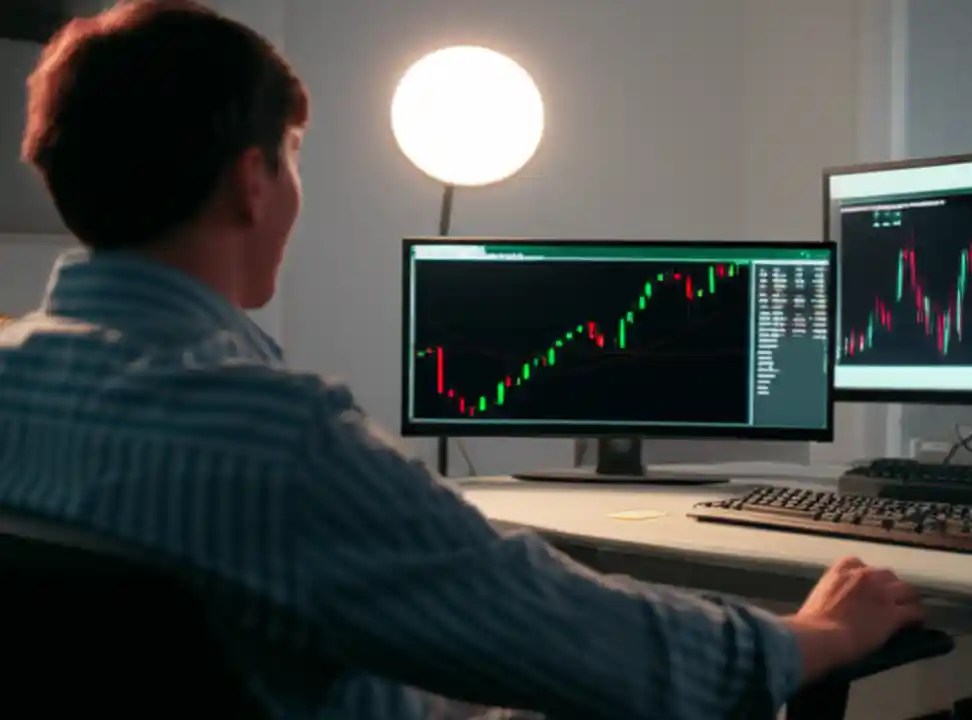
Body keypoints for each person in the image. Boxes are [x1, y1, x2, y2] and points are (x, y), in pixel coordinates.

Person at [0, 1, 925, 718]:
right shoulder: (279, 439)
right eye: (291, 156)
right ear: (253, 181)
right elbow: (622, 658)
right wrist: (814, 634)